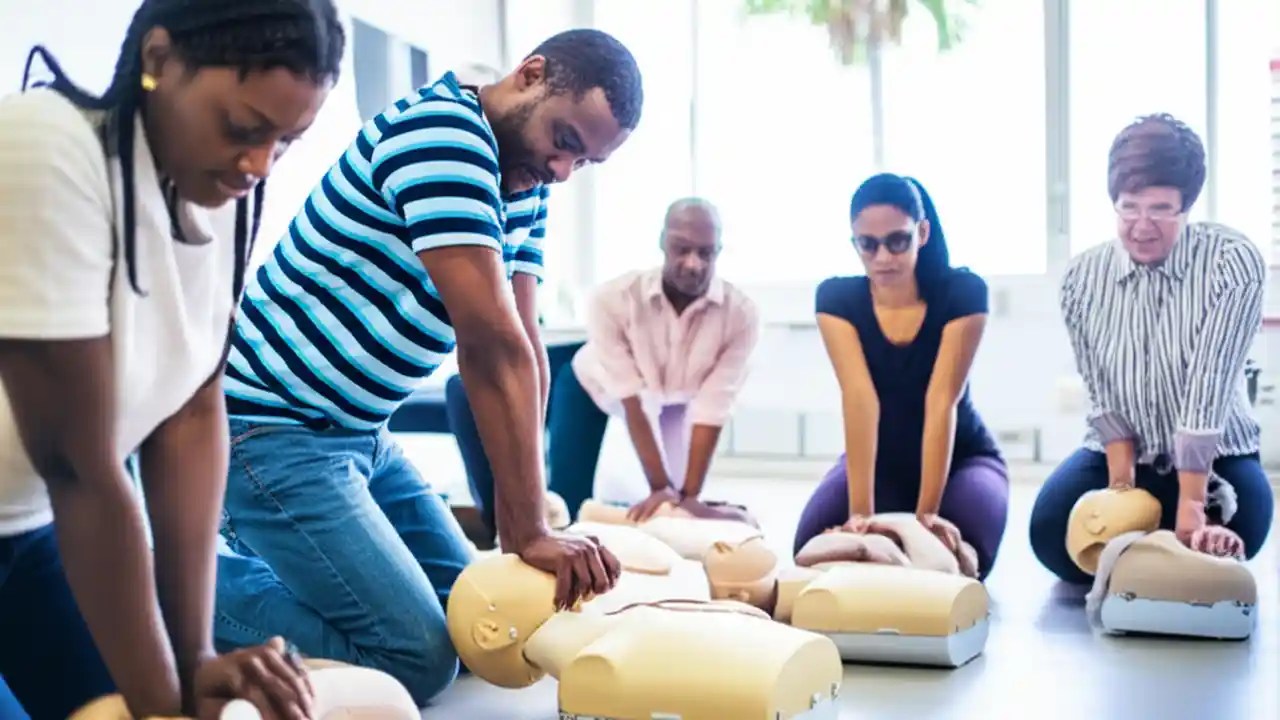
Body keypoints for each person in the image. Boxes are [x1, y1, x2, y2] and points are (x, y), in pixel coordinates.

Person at [213, 29, 643, 705]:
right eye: (565, 141)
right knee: (414, 656)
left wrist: (525, 527)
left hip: (359, 435)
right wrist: (529, 530)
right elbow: (490, 345)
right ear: (530, 75)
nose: (564, 170)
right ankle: (168, 586)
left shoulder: (525, 178)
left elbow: (525, 343)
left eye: (584, 162)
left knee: (475, 620)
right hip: (265, 430)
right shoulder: (443, 136)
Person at [0, 1, 344, 718]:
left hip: (27, 526)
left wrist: (194, 663)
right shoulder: (47, 147)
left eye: (285, 141)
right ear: (158, 62)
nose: (259, 164)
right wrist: (167, 708)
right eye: (244, 129)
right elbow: (78, 463)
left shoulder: (214, 191)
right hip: (55, 499)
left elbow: (190, 411)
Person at [1029, 114, 1275, 584]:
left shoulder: (1232, 262)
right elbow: (1101, 394)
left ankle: (1153, 552)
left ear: (1187, 206)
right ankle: (1163, 556)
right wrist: (1120, 495)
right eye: (1129, 207)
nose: (1142, 225)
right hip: (1128, 453)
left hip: (1217, 456)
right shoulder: (1083, 279)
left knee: (1246, 529)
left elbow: (1210, 385)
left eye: (1161, 209)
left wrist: (1192, 505)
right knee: (1050, 537)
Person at [448, 198, 760, 532]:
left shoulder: (740, 314)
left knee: (681, 505)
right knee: (568, 506)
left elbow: (713, 407)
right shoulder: (614, 298)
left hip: (674, 402)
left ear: (719, 250)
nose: (694, 264)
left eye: (706, 253)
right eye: (681, 249)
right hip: (590, 387)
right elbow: (632, 396)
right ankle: (499, 526)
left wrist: (688, 496)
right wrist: (660, 487)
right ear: (662, 242)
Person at [793, 173, 1008, 581]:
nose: (883, 258)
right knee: (812, 544)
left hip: (963, 459)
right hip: (883, 462)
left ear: (921, 232)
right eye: (868, 245)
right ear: (854, 242)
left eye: (897, 241)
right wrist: (860, 516)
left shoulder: (963, 292)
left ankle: (914, 531)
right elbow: (859, 400)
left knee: (956, 557)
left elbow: (940, 401)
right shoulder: (837, 300)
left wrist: (927, 512)